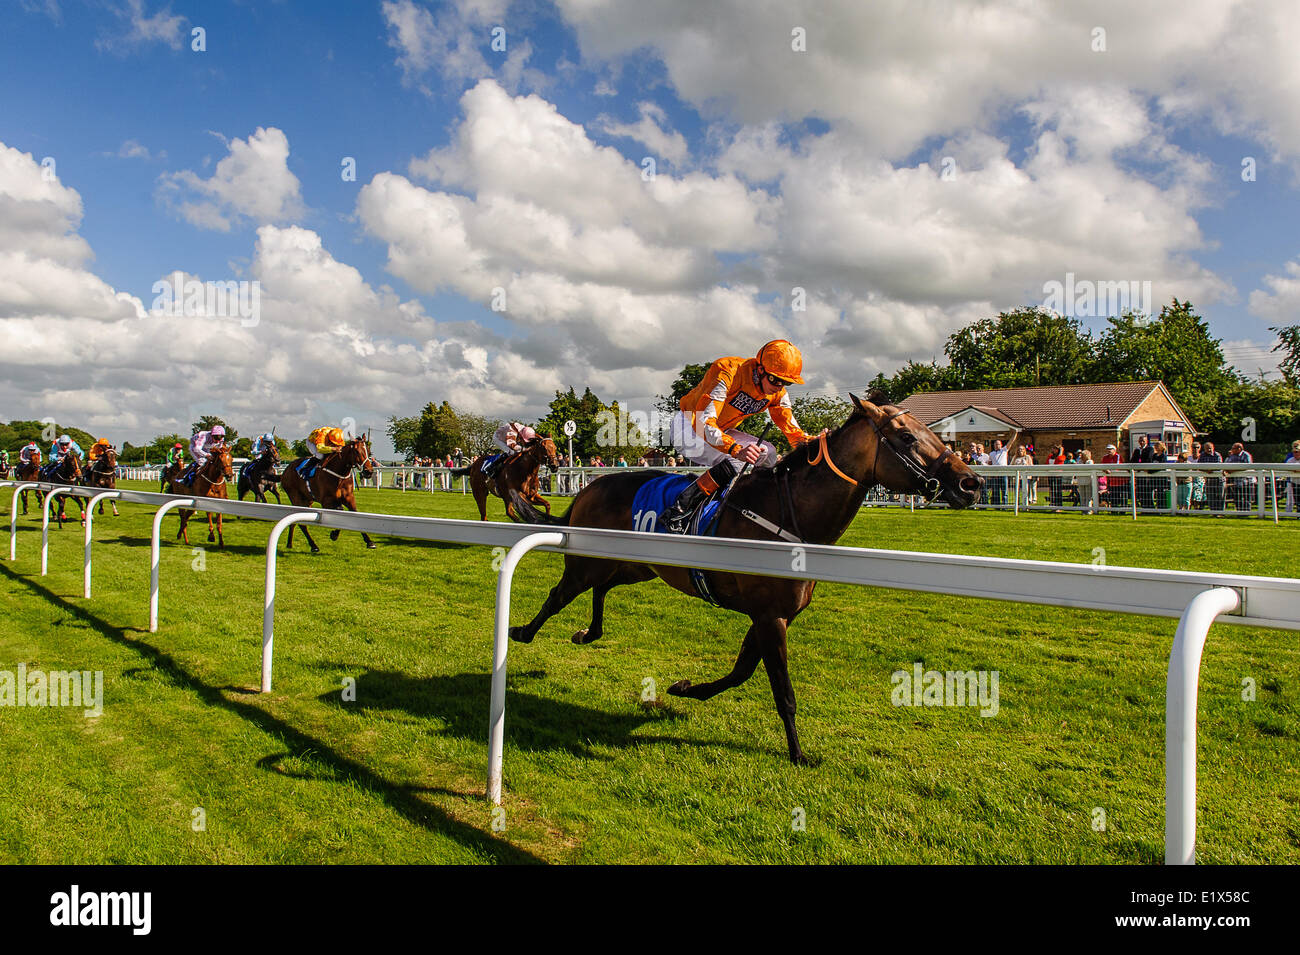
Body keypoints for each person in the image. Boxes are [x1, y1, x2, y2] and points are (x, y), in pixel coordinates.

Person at [660, 339, 816, 532]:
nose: (779, 386)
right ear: (760, 369)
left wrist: (815, 442)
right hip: (689, 429)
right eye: (775, 380)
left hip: (721, 430)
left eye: (786, 383)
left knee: (768, 453)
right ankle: (679, 510)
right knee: (739, 460)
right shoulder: (727, 370)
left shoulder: (778, 393)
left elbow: (793, 433)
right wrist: (735, 449)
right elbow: (703, 423)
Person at [1225, 442, 1254, 512]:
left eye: (1233, 448)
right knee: (1237, 498)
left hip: (1247, 480)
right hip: (1237, 481)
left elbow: (1247, 466)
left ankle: (1247, 512)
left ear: (1239, 449)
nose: (1231, 450)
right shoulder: (1232, 456)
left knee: (1247, 498)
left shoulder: (1246, 455)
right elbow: (1227, 464)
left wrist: (1233, 471)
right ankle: (1239, 511)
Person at [1198, 442, 1224, 511]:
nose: (1209, 450)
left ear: (1213, 448)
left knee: (1220, 496)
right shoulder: (1202, 455)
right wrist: (1206, 470)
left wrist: (1210, 469)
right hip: (1209, 479)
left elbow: (1219, 466)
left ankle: (1220, 512)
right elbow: (1198, 466)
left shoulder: (1217, 455)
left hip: (1219, 478)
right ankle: (1213, 511)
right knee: (1210, 496)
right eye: (1207, 448)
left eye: (1210, 448)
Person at [1100, 443, 1124, 509]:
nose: (1109, 451)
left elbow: (1118, 466)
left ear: (1114, 450)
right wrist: (1105, 469)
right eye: (1108, 449)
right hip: (1111, 481)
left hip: (1119, 481)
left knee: (1121, 496)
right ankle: (1114, 509)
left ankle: (1122, 510)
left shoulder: (1118, 456)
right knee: (1113, 496)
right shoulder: (1105, 457)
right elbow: (1102, 466)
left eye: (1110, 449)